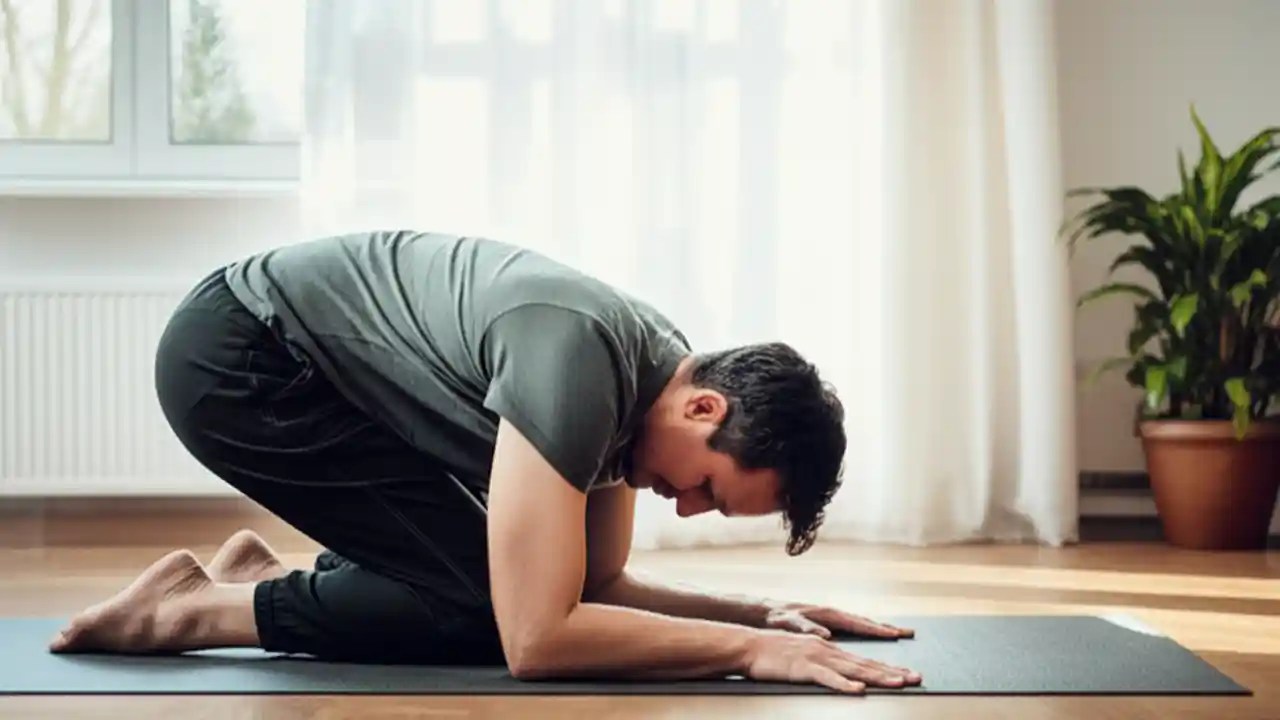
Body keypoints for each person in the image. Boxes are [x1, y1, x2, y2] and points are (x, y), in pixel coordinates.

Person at [49, 231, 922, 694]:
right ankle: (190, 610)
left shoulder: (647, 386)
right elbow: (539, 640)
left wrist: (763, 614)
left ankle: (266, 577)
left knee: (501, 591)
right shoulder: (585, 366)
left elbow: (594, 586)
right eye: (707, 489)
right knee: (484, 609)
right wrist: (749, 652)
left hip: (303, 374)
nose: (687, 508)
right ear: (704, 408)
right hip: (241, 360)